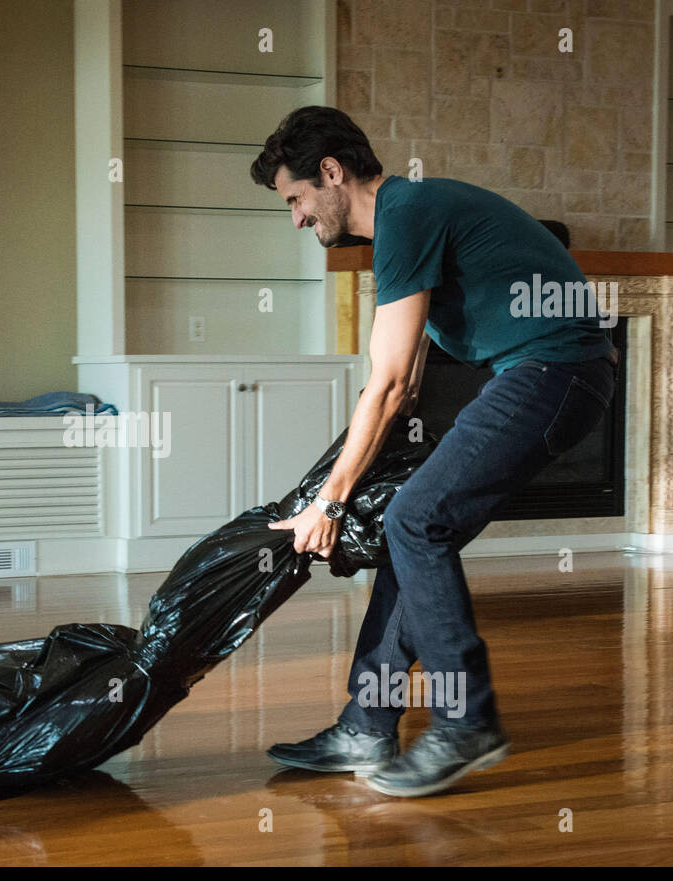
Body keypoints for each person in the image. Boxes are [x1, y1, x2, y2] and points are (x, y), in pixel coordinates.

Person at [252, 106, 618, 797]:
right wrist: (347, 489)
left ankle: (465, 721)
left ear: (331, 174)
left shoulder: (406, 212)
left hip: (555, 372)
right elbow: (409, 379)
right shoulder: (413, 215)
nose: (297, 218)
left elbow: (387, 386)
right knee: (408, 526)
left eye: (296, 198)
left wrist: (329, 504)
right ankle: (366, 725)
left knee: (416, 522)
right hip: (545, 373)